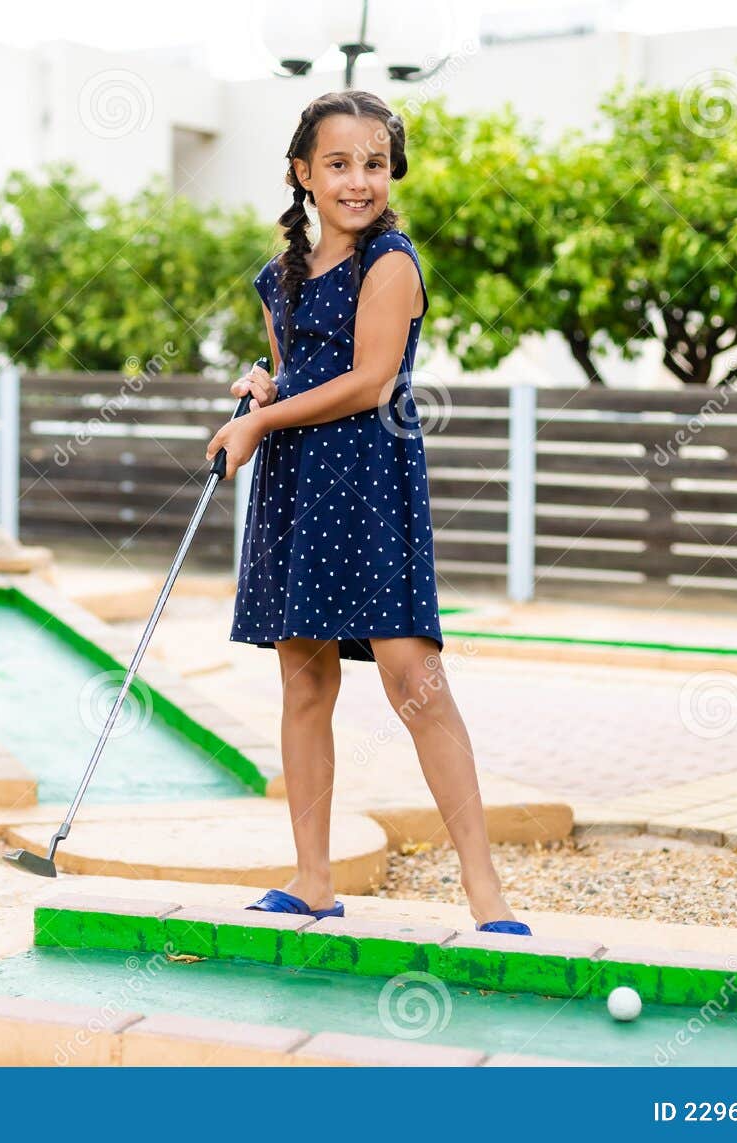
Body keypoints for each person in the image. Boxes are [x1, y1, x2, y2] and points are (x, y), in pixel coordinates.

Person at [204, 90, 531, 936]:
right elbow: (297, 373)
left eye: (375, 164)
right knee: (304, 681)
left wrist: (258, 421)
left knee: (413, 680)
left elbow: (368, 381)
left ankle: (485, 889)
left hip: (369, 480)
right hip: (298, 486)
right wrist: (262, 386)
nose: (359, 181)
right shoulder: (278, 280)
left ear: (393, 173)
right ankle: (313, 878)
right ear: (302, 174)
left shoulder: (392, 264)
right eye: (340, 164)